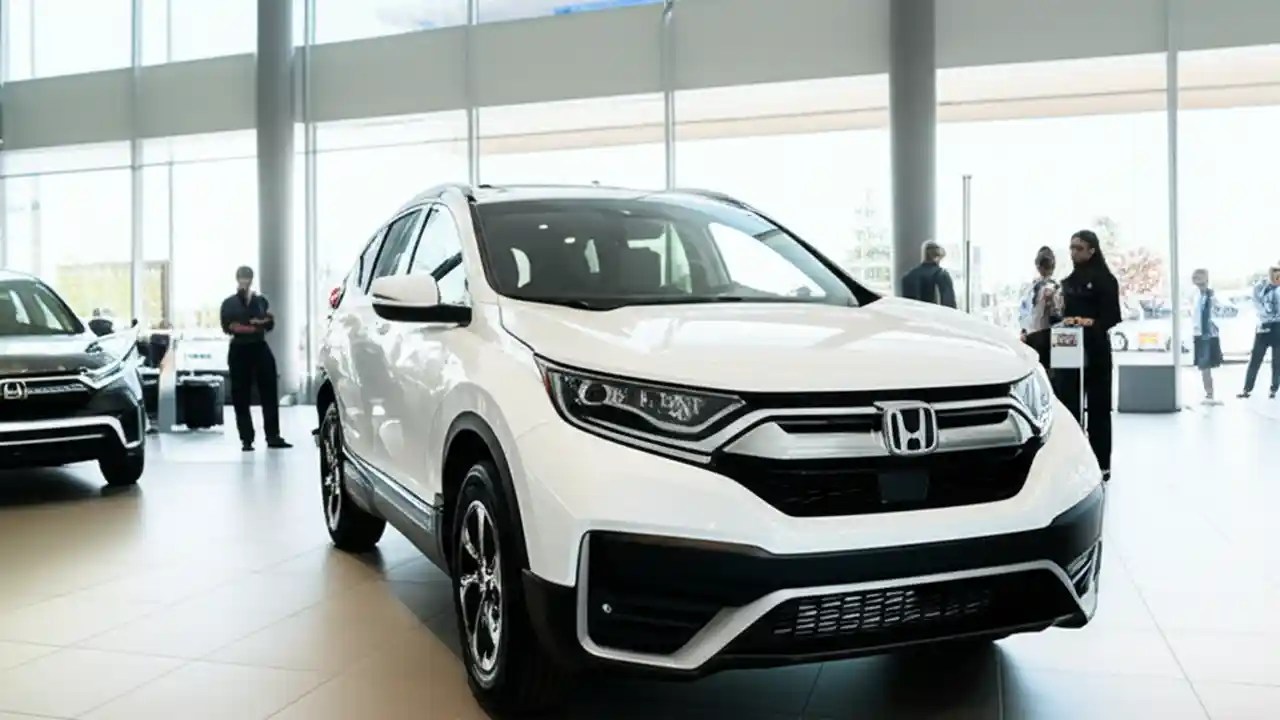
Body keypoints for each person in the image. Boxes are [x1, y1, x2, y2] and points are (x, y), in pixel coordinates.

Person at [1057, 230, 1122, 481]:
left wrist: (1089, 322)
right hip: (1068, 348)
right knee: (1069, 405)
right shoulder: (1069, 281)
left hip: (1095, 348)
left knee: (1098, 408)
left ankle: (1101, 464)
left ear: (1092, 250)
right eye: (1071, 248)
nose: (1074, 252)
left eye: (1079, 248)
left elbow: (1112, 316)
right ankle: (1071, 463)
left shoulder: (1106, 280)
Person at [220, 266, 292, 451]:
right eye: (242, 277)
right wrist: (255, 326)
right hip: (239, 350)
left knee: (269, 390)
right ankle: (246, 439)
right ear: (237, 279)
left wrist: (255, 324)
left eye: (248, 277)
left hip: (259, 347)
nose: (245, 280)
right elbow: (230, 327)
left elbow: (270, 322)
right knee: (240, 394)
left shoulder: (260, 301)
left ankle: (273, 435)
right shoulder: (229, 303)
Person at [1238, 263, 1280, 400]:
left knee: (1277, 360)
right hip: (1263, 325)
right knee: (1256, 358)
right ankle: (1247, 388)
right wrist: (1267, 316)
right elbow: (1257, 304)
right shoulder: (1260, 287)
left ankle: (1274, 389)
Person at [1019, 246, 1062, 371]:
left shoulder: (1030, 288)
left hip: (1031, 335)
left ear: (1037, 266)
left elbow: (1024, 314)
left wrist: (1024, 331)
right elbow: (1057, 315)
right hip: (1047, 336)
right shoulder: (1055, 288)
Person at [1190, 269, 1224, 405]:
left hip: (1207, 334)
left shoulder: (1210, 295)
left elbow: (1217, 312)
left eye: (1199, 278)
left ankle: (1209, 394)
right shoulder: (1196, 295)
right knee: (1203, 366)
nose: (1196, 280)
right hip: (1199, 333)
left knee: (1205, 365)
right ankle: (1208, 393)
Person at [899, 240, 958, 308]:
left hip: (913, 317)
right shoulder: (941, 275)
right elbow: (949, 304)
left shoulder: (908, 276)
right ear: (938, 257)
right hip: (934, 316)